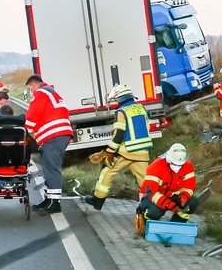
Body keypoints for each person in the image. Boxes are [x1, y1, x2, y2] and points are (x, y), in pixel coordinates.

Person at [83, 83, 153, 211]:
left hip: (125, 152)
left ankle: (97, 200)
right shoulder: (142, 108)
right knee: (145, 180)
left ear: (119, 99)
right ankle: (150, 205)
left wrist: (109, 152)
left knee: (107, 172)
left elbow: (119, 134)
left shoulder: (121, 112)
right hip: (142, 152)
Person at [24, 75, 74, 215]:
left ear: (33, 86)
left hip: (54, 135)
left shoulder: (40, 93)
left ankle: (55, 203)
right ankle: (49, 199)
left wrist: (25, 131)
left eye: (29, 89)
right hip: (57, 135)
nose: (30, 91)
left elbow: (33, 114)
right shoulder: (51, 92)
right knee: (48, 167)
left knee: (51, 168)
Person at [136, 143, 198, 231]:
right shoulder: (156, 166)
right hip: (152, 197)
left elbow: (189, 186)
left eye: (180, 165)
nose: (177, 167)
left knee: (192, 202)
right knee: (154, 213)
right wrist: (170, 205)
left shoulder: (187, 165)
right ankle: (146, 223)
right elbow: (151, 192)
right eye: (175, 164)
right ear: (169, 159)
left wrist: (183, 197)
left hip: (172, 195)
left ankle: (175, 227)